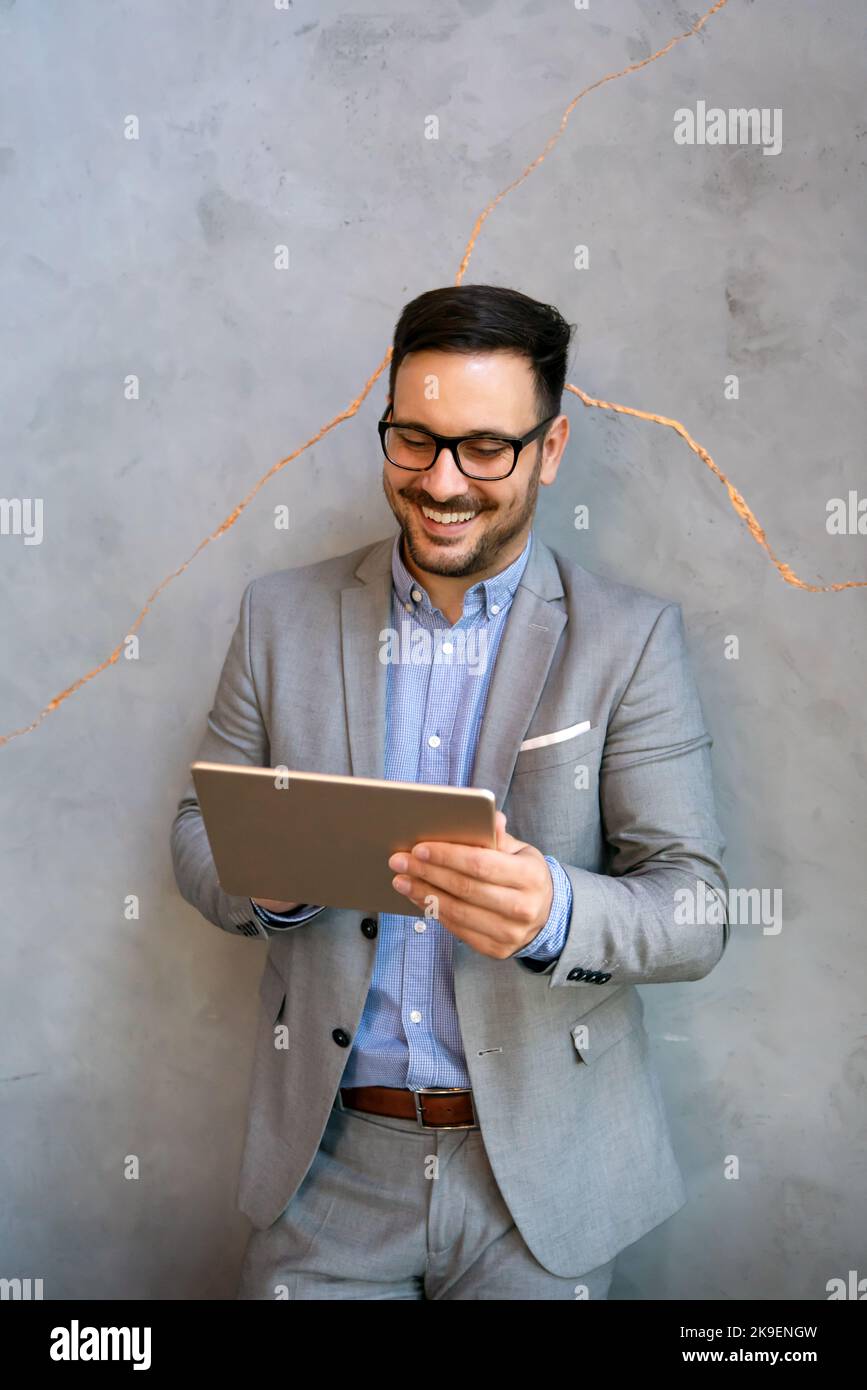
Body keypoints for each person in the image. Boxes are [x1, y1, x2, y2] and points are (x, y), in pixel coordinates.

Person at [170, 283, 729, 1300]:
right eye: (413, 440)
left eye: (485, 447)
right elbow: (195, 834)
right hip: (329, 1170)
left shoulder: (632, 639)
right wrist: (276, 879)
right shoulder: (278, 615)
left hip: (542, 1182)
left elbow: (694, 909)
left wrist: (557, 908)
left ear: (549, 450)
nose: (442, 481)